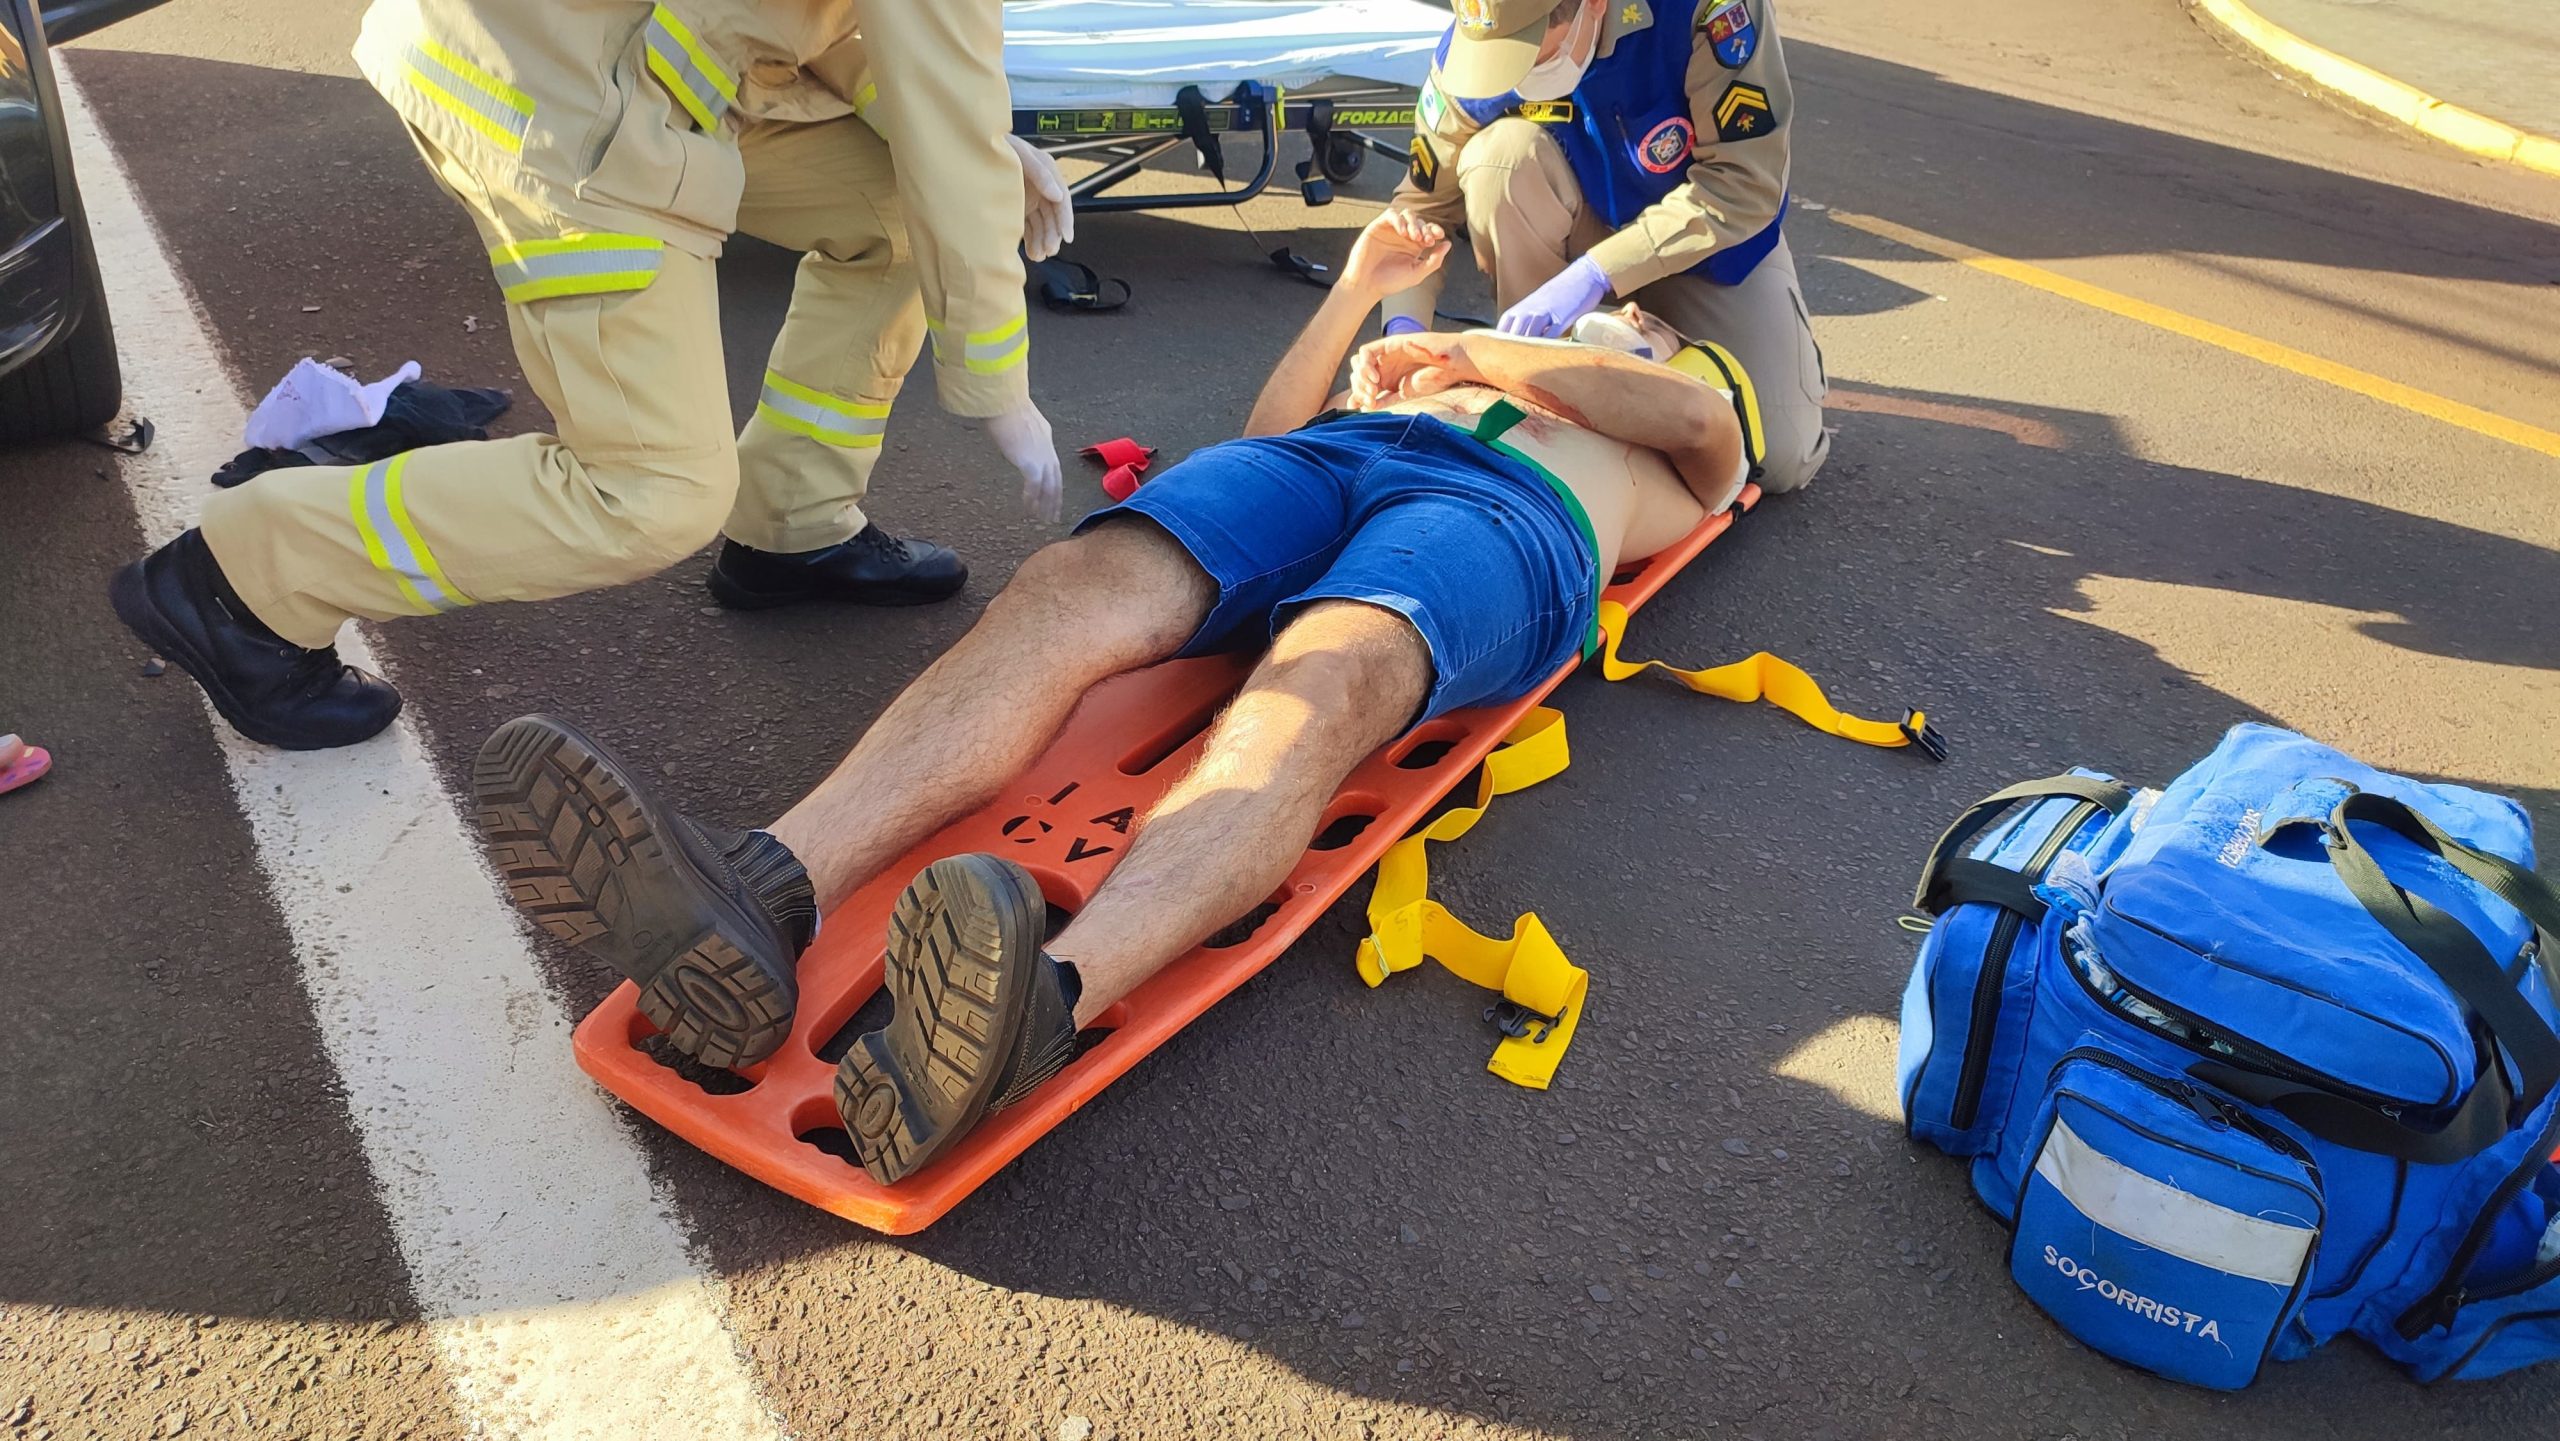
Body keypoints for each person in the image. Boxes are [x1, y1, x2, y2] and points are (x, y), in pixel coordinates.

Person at [469, 208, 1753, 1184]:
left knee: (1323, 682)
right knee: (1072, 586)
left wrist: (1488, 344)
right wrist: (1359, 297)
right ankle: (760, 888)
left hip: (1500, 517)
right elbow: (1270, 428)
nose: (1602, 318)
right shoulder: (1416, 365)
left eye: (1629, 323)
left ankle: (1037, 1004)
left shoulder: (1655, 425)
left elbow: (1708, 438)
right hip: (1323, 460)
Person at [111, 0, 1074, 751]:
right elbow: (943, 87)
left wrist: (981, 159)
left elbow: (873, 45)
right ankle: (244, 573)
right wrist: (995, 380)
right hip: (560, 93)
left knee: (906, 211)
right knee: (649, 492)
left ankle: (793, 524)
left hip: (587, 51)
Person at [1387, 0, 1828, 493]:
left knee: (1775, 459)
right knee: (1499, 160)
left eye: (1529, 51)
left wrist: (1596, 275)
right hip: (1576, 235)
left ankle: (1650, 344)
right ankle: (1541, 388)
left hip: (1708, 249)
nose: (1512, 74)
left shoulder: (1702, 9)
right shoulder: (1477, 44)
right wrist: (1402, 333)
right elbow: (1421, 212)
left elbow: (1746, 185)